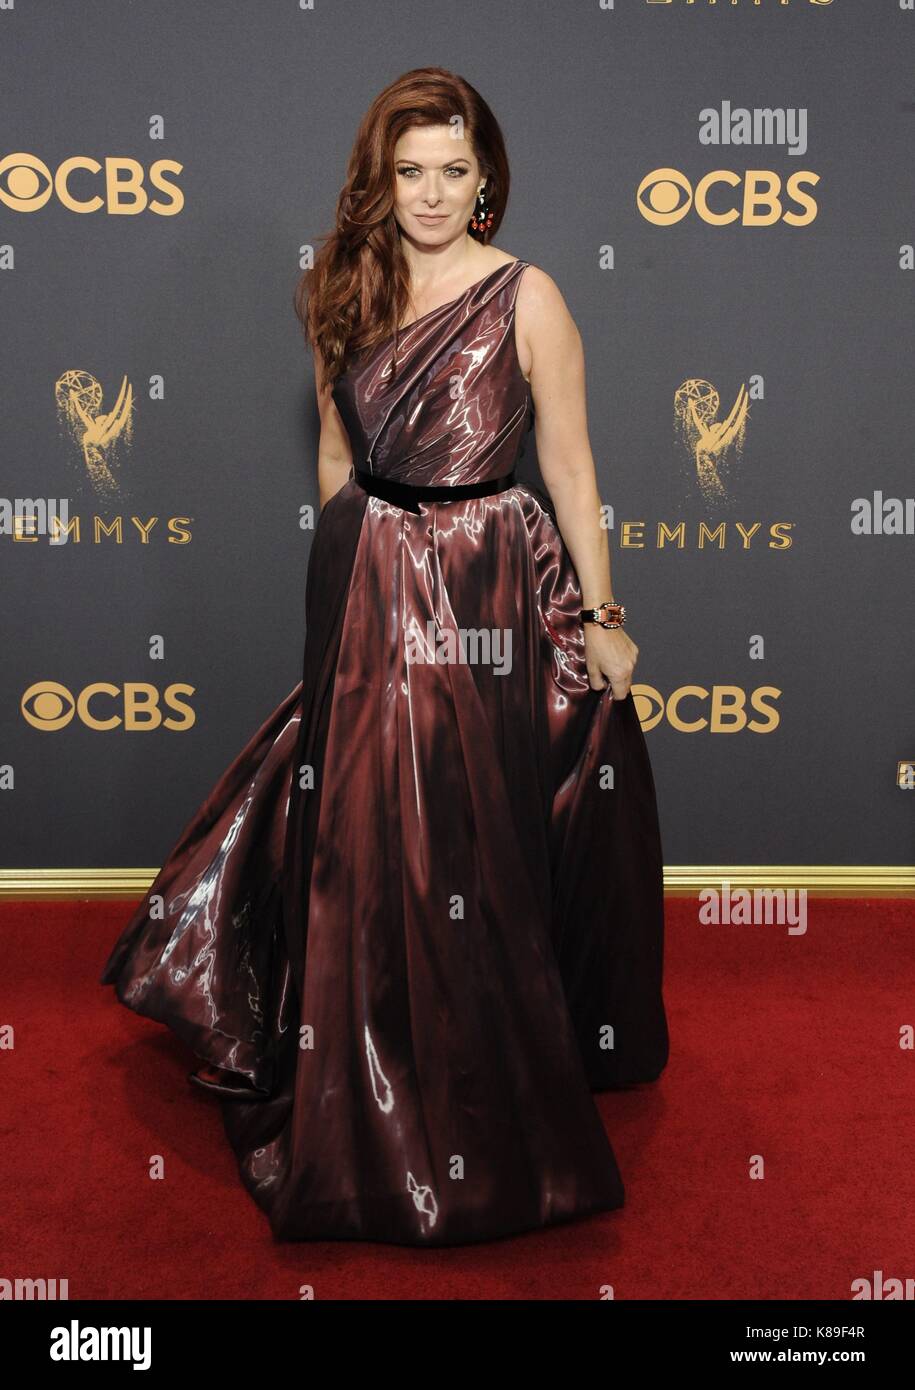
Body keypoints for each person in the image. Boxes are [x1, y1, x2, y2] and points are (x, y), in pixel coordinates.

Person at [101, 65, 669, 1247]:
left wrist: (603, 614)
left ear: (486, 180)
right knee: (366, 829)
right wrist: (344, 573)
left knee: (467, 828)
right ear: (382, 178)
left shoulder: (531, 297)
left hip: (485, 576)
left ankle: (478, 1079)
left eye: (453, 170)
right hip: (370, 572)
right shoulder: (345, 288)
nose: (430, 193)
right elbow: (329, 457)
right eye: (409, 170)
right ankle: (359, 1075)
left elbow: (569, 469)